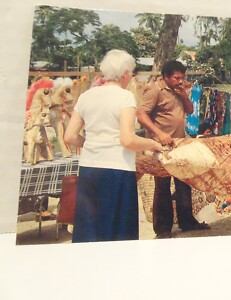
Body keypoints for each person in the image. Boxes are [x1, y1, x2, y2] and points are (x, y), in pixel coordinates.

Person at [64, 49, 163, 243]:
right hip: (116, 170)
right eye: (132, 73)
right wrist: (152, 142)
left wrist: (91, 144)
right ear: (125, 73)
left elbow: (69, 136)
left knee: (90, 229)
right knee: (117, 231)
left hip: (89, 168)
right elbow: (127, 139)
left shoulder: (86, 96)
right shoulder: (125, 97)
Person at [136, 60, 210, 239]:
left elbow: (190, 110)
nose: (180, 81)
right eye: (176, 78)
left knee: (184, 182)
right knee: (162, 186)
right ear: (166, 76)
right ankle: (162, 229)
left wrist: (184, 95)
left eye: (182, 77)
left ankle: (187, 221)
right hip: (160, 146)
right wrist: (159, 133)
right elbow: (140, 114)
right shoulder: (154, 90)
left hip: (179, 143)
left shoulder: (179, 89)